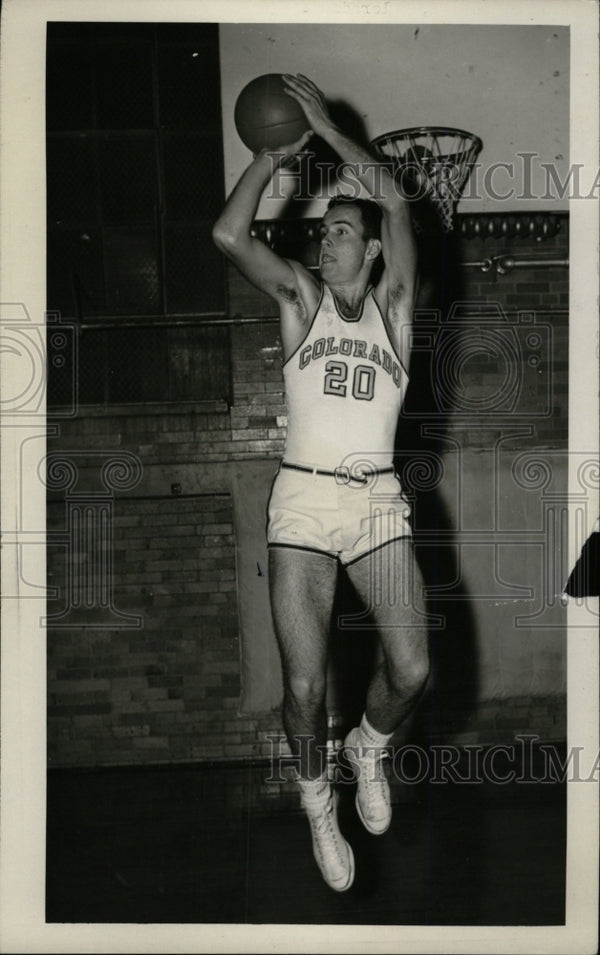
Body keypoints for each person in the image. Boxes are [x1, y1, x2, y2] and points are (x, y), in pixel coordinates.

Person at [213, 74, 429, 892]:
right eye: (324, 231)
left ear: (370, 251)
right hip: (303, 501)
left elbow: (399, 206)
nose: (326, 241)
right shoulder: (300, 300)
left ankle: (369, 745)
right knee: (304, 683)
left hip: (375, 501)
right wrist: (271, 159)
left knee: (411, 670)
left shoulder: (396, 310)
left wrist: (325, 128)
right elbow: (231, 235)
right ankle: (315, 801)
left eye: (341, 231)